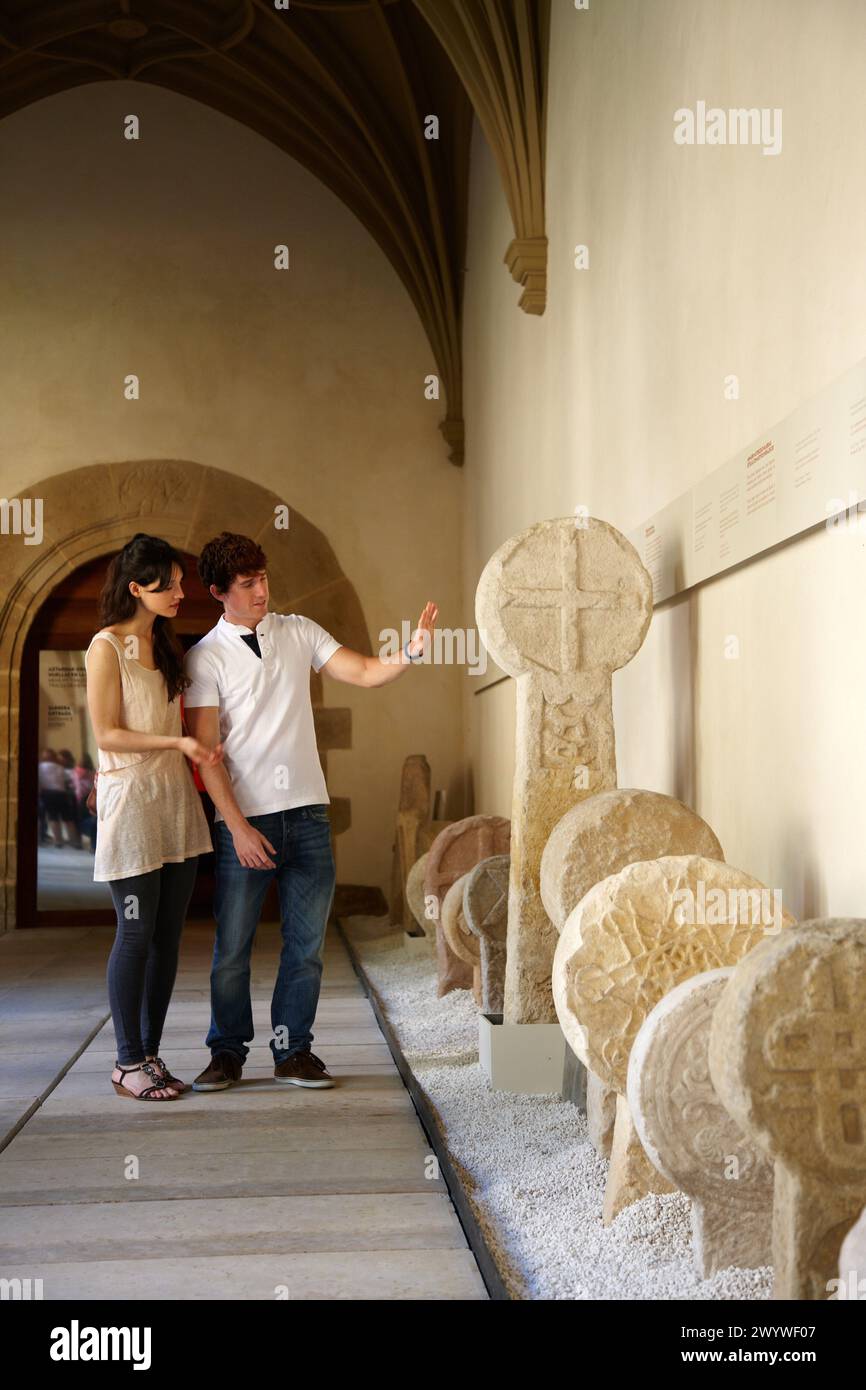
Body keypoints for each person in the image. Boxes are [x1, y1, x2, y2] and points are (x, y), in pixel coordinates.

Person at [183, 531, 437, 1092]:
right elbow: (206, 755)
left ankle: (293, 1052)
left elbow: (367, 671)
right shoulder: (204, 658)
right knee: (232, 952)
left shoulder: (299, 632)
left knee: (306, 949)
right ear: (219, 591)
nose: (260, 591)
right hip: (247, 824)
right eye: (247, 584)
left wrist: (412, 650)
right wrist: (238, 826)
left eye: (263, 579)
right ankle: (226, 1054)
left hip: (309, 818)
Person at [85, 534, 224, 1102]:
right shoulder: (106, 646)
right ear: (136, 587)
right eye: (169, 583)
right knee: (136, 931)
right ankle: (124, 1063)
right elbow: (106, 732)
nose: (180, 592)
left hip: (174, 805)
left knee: (169, 938)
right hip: (132, 807)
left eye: (181, 582)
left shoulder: (167, 644)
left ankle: (150, 1055)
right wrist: (180, 743)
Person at [38, 749, 78, 848]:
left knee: (53, 817)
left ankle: (58, 841)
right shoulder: (60, 767)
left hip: (48, 793)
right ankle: (74, 841)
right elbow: (67, 780)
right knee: (68, 818)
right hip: (62, 794)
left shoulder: (40, 767)